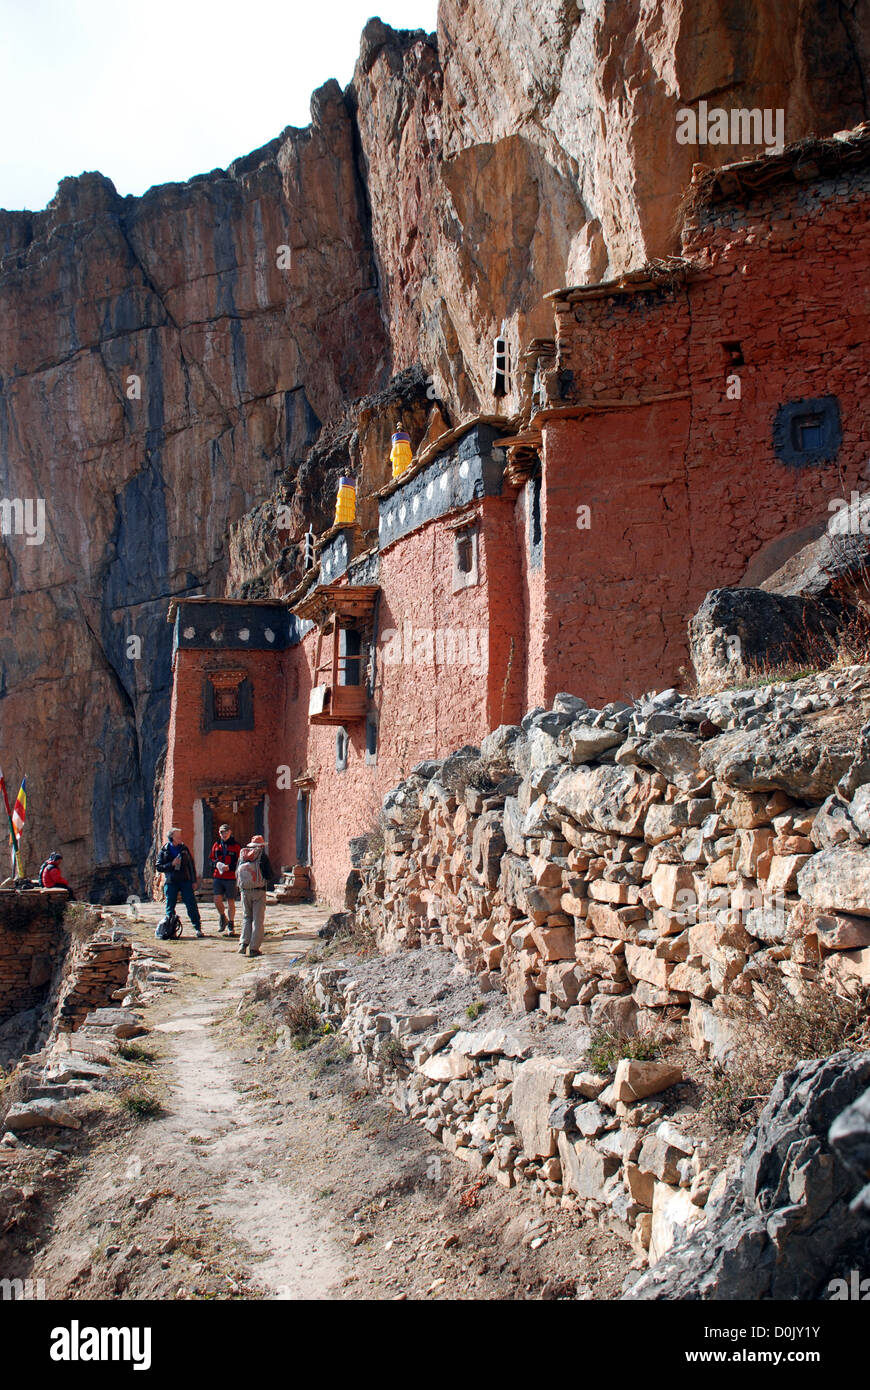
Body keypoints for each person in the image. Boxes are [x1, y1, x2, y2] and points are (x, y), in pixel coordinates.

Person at [155, 828, 204, 938]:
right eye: (178, 836)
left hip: (184, 880)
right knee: (170, 907)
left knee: (191, 904)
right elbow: (159, 867)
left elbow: (190, 865)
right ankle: (171, 930)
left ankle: (198, 928)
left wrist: (193, 880)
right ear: (172, 837)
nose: (180, 837)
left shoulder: (184, 849)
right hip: (171, 881)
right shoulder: (164, 850)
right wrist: (171, 864)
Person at [236, 834, 275, 958]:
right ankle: (254, 948)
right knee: (258, 920)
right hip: (258, 891)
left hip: (244, 890)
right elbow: (269, 874)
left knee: (246, 917)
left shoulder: (243, 855)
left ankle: (243, 943)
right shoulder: (262, 857)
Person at [210, 822, 241, 936]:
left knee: (230, 901)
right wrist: (217, 864)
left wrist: (230, 867)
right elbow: (211, 860)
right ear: (219, 833)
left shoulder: (236, 846)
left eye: (226, 832)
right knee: (217, 900)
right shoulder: (216, 845)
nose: (224, 834)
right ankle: (223, 917)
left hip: (231, 877)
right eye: (222, 832)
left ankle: (231, 924)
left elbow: (240, 862)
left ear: (230, 832)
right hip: (218, 876)